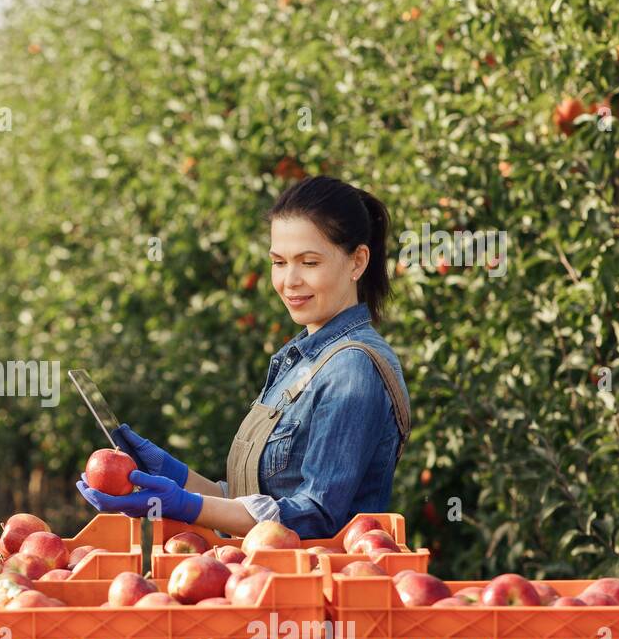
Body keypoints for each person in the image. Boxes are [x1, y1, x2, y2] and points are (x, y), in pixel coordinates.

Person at [77, 176, 411, 539]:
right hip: (265, 578)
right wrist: (175, 476)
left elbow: (315, 517)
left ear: (357, 262)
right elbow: (254, 505)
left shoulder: (351, 369)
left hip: (319, 587)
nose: (289, 280)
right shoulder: (301, 361)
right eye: (279, 262)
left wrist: (186, 505)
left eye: (309, 263)